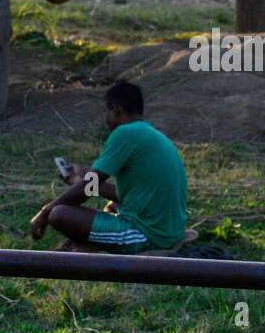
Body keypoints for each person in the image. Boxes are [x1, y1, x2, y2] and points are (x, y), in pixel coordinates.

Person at [30, 82, 187, 254]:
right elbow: (124, 195)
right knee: (113, 206)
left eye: (107, 112)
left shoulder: (124, 134)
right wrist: (83, 179)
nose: (106, 118)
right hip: (170, 232)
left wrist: (45, 211)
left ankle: (95, 245)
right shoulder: (152, 135)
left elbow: (85, 191)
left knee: (59, 214)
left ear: (116, 109)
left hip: (149, 235)